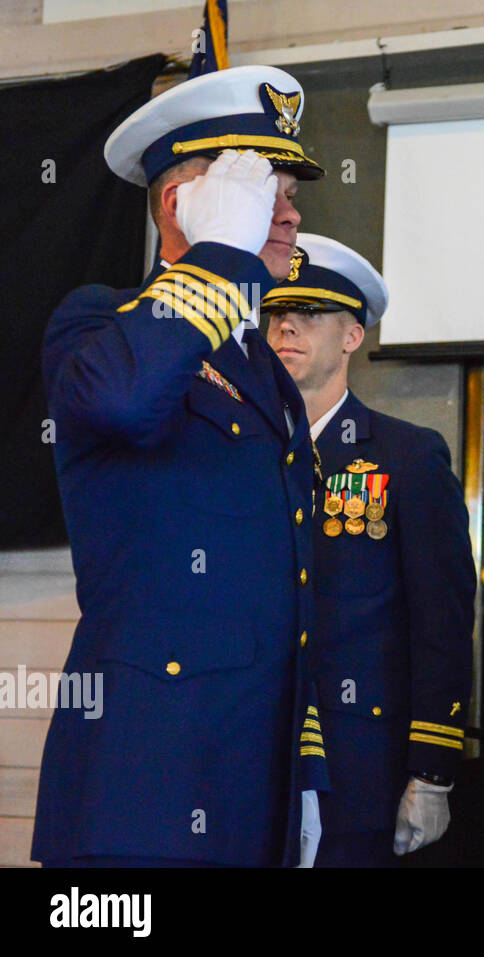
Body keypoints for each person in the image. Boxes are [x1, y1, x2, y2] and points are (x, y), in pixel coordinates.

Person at [35, 65, 329, 867]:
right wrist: (220, 260)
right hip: (140, 791)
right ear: (181, 204)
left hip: (249, 789)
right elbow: (128, 402)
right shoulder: (98, 324)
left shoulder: (265, 373)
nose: (292, 213)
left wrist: (302, 774)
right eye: (261, 189)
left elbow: (289, 594)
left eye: (288, 193)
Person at [262, 235, 476, 866]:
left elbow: (441, 623)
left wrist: (433, 771)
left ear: (353, 336)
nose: (287, 328)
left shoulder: (407, 456)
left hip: (360, 766)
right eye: (276, 314)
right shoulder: (242, 457)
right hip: (251, 760)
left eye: (310, 315)